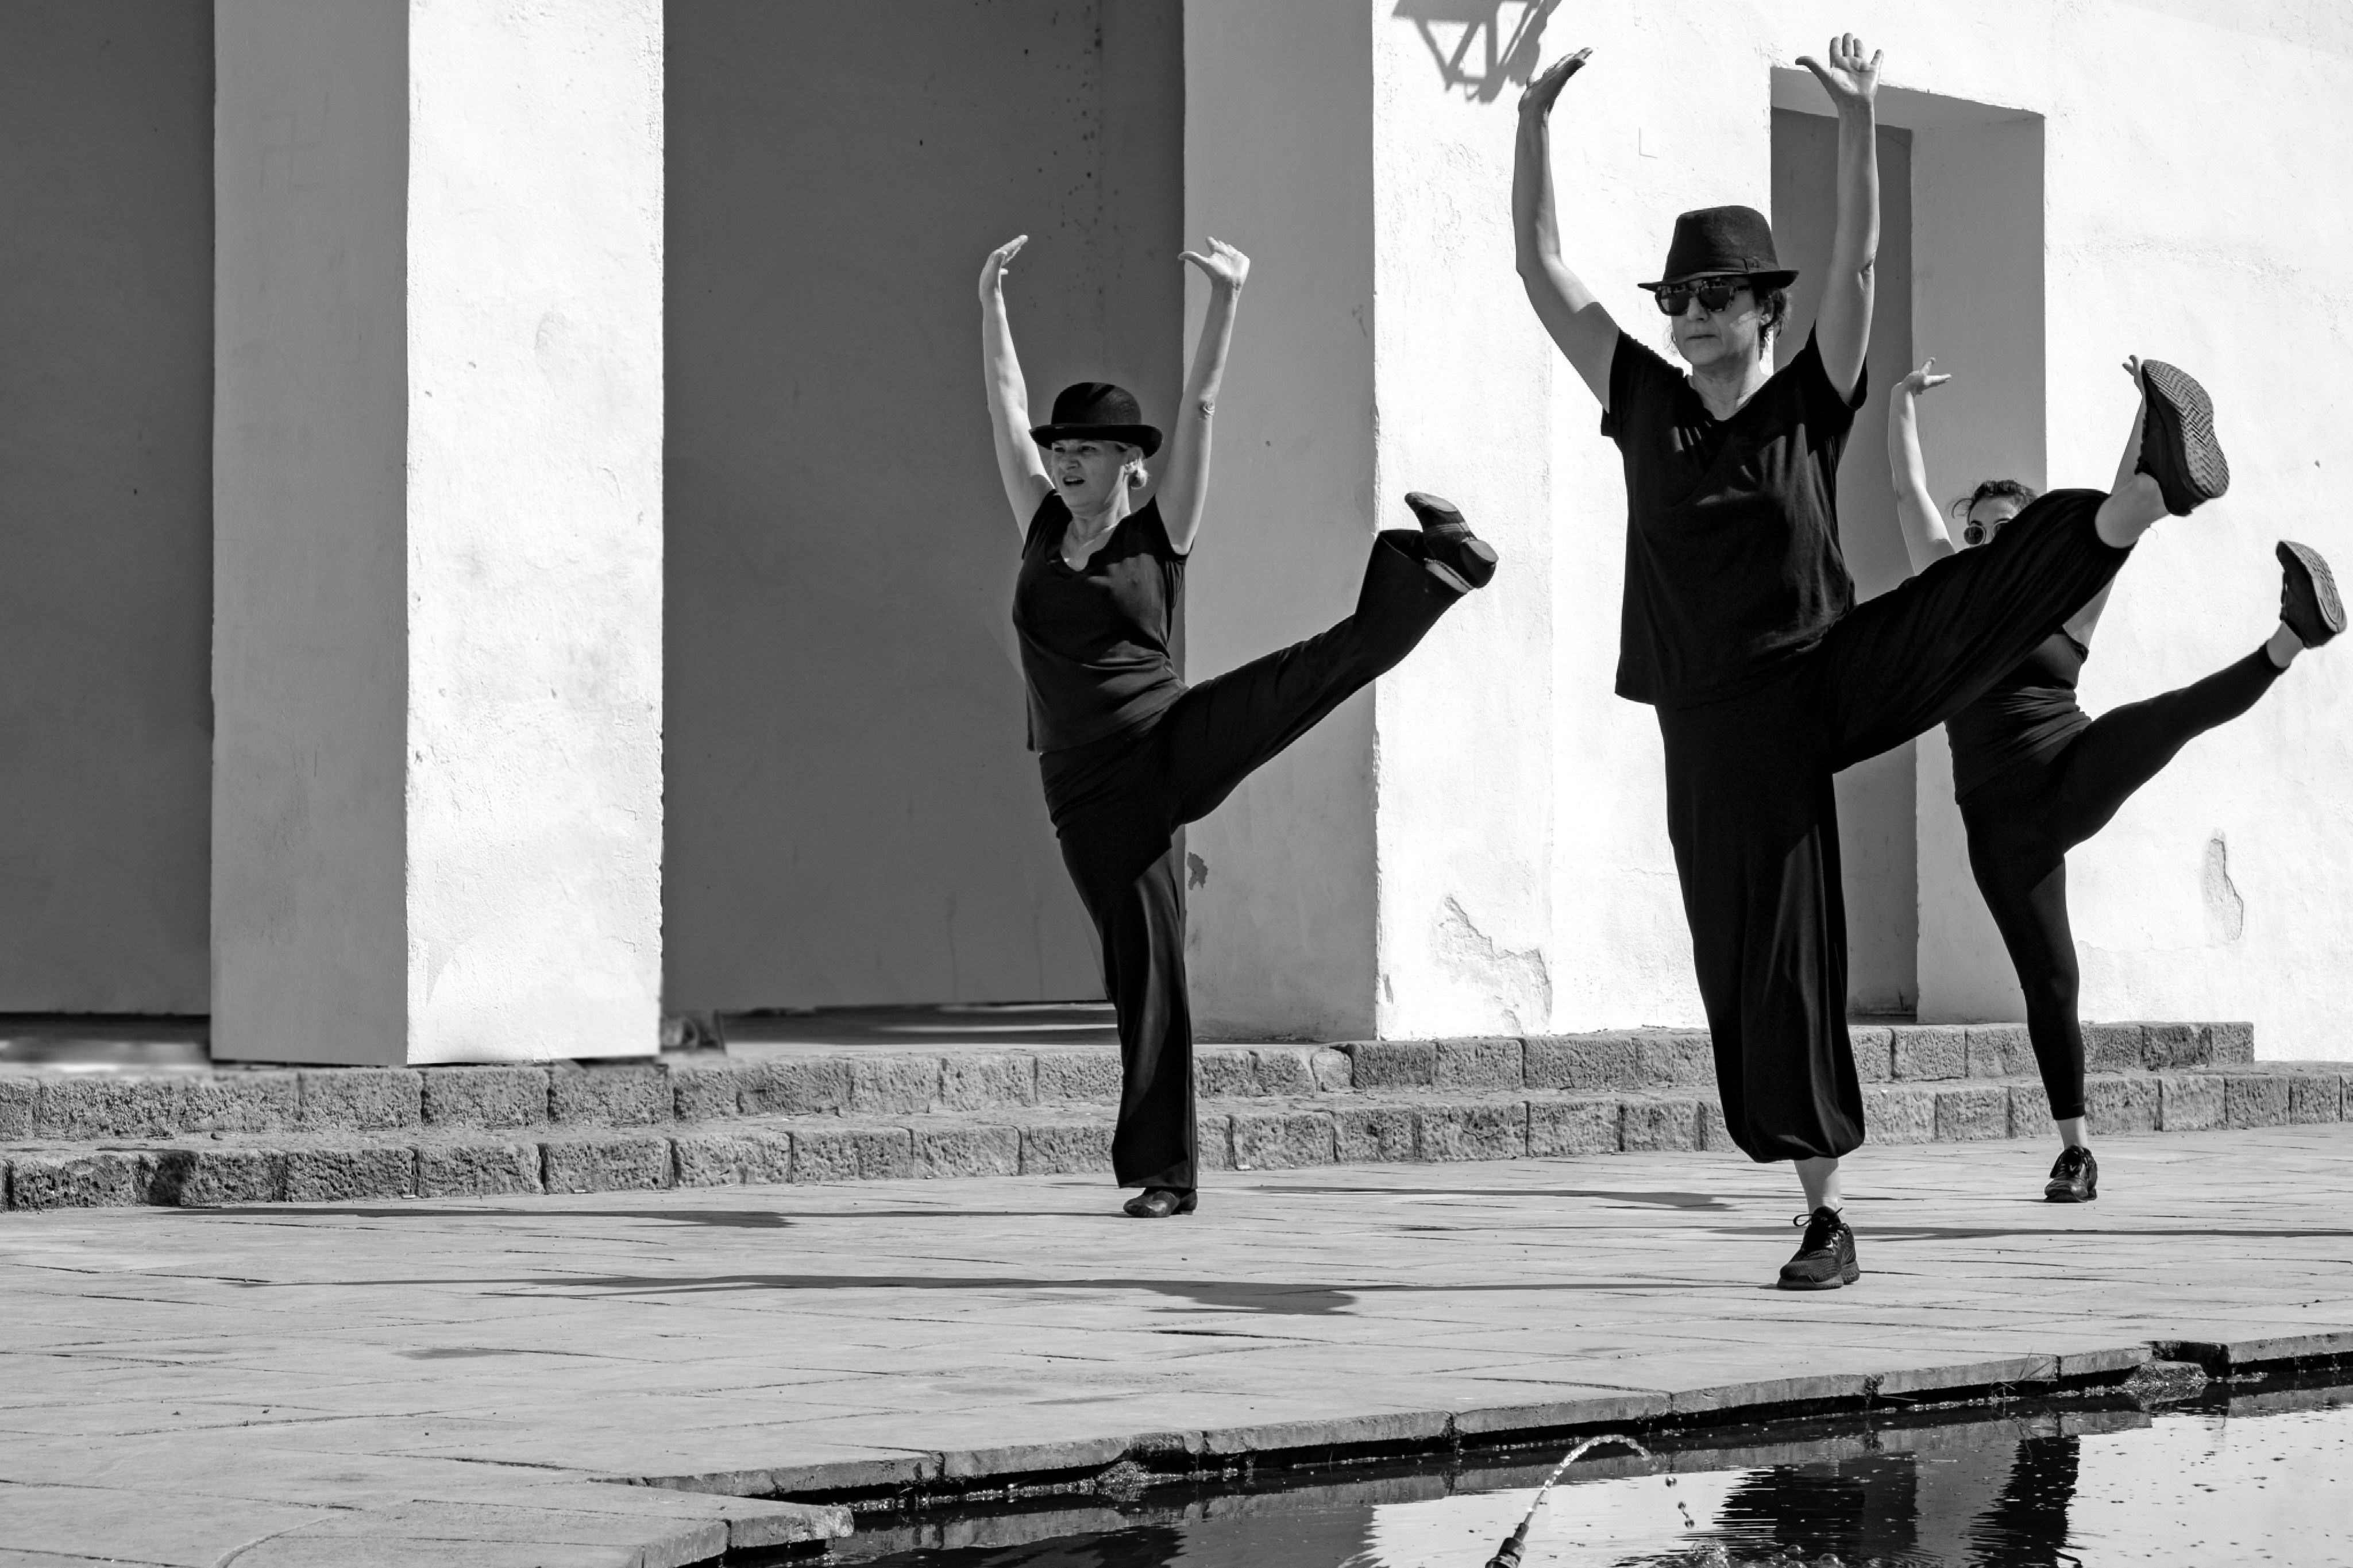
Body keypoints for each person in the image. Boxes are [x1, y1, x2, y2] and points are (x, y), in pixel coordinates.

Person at [1513, 36, 2229, 1288]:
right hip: (1715, 720)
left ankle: (2139, 496)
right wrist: (1528, 123)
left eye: (1716, 297)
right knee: (1763, 951)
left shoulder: (1805, 399)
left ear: (1762, 311)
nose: (1689, 317)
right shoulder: (1638, 399)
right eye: (1677, 299)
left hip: (1825, 667)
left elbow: (1855, 259)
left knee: (1959, 598)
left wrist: (1857, 122)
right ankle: (1823, 1214)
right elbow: (1539, 267)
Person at [979, 233, 1498, 1218]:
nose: (1065, 461)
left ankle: (1436, 571)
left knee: (1303, 676)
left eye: (1086, 449)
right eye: (1061, 449)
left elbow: (1203, 404)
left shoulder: (1161, 528)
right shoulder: (1041, 523)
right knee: (1145, 966)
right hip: (1084, 788)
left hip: (1168, 738)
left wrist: (1230, 299)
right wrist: (988, 303)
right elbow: (1005, 411)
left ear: (1131, 463)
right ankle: (1167, 1176)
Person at [1889, 356, 2342, 1202]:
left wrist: (2148, 412)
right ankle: (2076, 1151)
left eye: (2004, 529)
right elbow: (1910, 497)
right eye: (1976, 529)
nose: (1986, 539)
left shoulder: (2068, 603)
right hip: (1999, 826)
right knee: (2052, 982)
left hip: (2068, 772)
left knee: (2167, 715)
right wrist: (1896, 405)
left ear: (2031, 542)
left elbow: (2110, 513)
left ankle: (2292, 635)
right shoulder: (1945, 592)